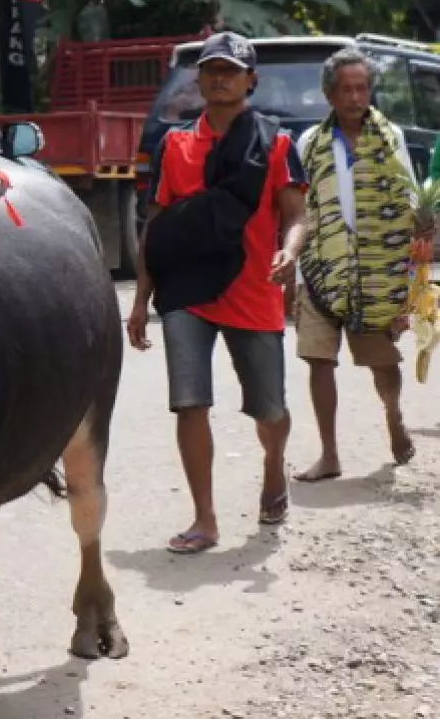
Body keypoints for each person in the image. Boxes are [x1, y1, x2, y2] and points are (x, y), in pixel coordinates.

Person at [127, 31, 308, 554]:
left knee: (269, 409)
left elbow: (296, 215)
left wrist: (290, 251)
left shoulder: (274, 143)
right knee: (189, 403)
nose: (220, 77)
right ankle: (204, 519)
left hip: (253, 288)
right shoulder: (175, 144)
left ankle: (275, 468)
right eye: (211, 69)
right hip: (186, 288)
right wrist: (141, 298)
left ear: (250, 80)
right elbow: (156, 225)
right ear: (199, 79)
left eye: (231, 70)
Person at [291, 47, 429, 482]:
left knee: (383, 363)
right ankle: (329, 454)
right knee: (318, 360)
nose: (355, 97)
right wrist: (292, 273)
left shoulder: (391, 139)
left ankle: (393, 417)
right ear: (329, 95)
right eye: (346, 89)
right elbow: (300, 209)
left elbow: (410, 197)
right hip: (321, 268)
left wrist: (414, 265)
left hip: (378, 271)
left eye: (362, 88)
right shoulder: (309, 143)